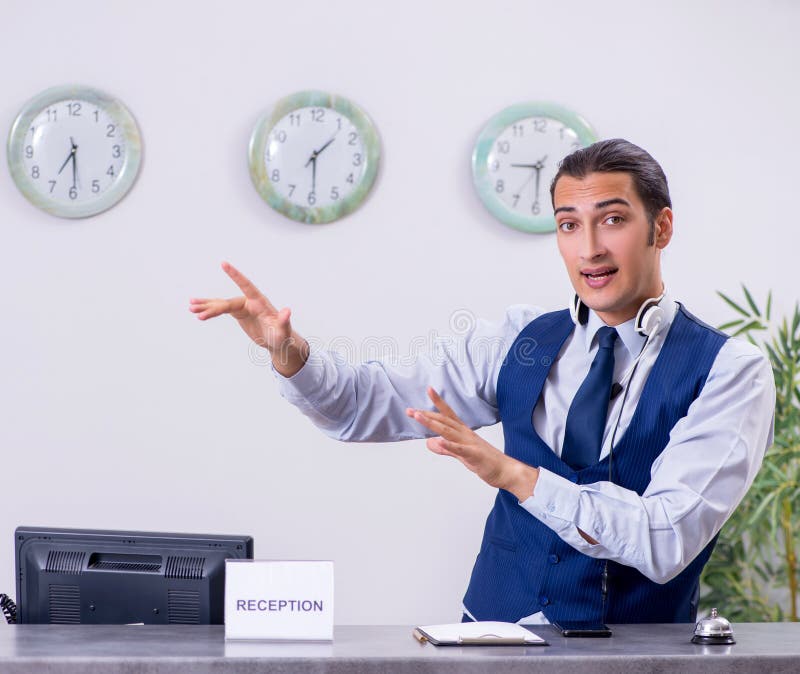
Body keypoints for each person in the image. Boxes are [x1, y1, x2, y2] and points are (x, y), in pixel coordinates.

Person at [189, 139, 774, 624]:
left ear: (661, 227)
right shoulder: (518, 339)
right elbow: (362, 407)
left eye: (613, 220)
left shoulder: (729, 371)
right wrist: (288, 352)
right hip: (490, 640)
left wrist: (513, 475)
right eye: (569, 225)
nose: (589, 248)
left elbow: (664, 538)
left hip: (634, 655)